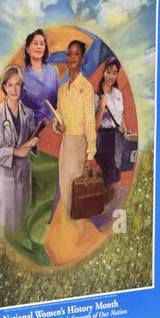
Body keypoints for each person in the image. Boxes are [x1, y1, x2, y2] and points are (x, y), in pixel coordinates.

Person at [0, 66, 39, 234]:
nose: (15, 89)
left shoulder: (28, 114)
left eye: (18, 84)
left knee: (23, 228)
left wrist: (33, 143)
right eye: (10, 85)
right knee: (5, 230)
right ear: (4, 87)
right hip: (6, 179)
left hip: (23, 176)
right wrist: (14, 152)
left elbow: (30, 143)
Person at [55, 39, 98, 218]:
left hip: (80, 146)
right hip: (66, 146)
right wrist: (58, 126)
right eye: (70, 53)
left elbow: (90, 122)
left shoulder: (86, 87)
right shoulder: (62, 90)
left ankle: (80, 232)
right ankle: (71, 236)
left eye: (76, 54)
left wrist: (90, 155)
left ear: (82, 59)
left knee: (78, 195)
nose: (72, 57)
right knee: (65, 191)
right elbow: (58, 117)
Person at [20, 29, 64, 131]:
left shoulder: (53, 70)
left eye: (42, 44)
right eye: (35, 43)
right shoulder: (21, 75)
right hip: (31, 131)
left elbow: (59, 101)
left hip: (52, 129)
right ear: (27, 48)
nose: (39, 47)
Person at [95, 55, 125, 189]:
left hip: (118, 138)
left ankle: (109, 203)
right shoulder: (97, 96)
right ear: (103, 72)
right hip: (104, 139)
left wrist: (124, 126)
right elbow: (95, 126)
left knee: (117, 175)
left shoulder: (118, 94)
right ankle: (105, 205)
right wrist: (101, 108)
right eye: (108, 72)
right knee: (108, 178)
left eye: (114, 73)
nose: (111, 76)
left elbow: (120, 115)